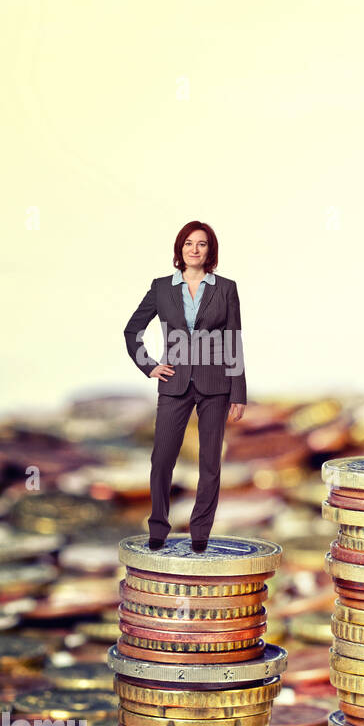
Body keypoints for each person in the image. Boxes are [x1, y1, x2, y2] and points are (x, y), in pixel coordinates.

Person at [123, 220, 245, 552]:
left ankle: (200, 532)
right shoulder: (162, 288)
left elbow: (233, 341)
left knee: (209, 463)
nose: (194, 249)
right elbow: (132, 330)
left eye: (201, 244)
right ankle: (158, 526)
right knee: (162, 459)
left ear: (210, 250)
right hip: (174, 383)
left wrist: (238, 392)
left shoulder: (226, 288)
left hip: (215, 383)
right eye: (188, 243)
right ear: (180, 249)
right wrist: (149, 366)